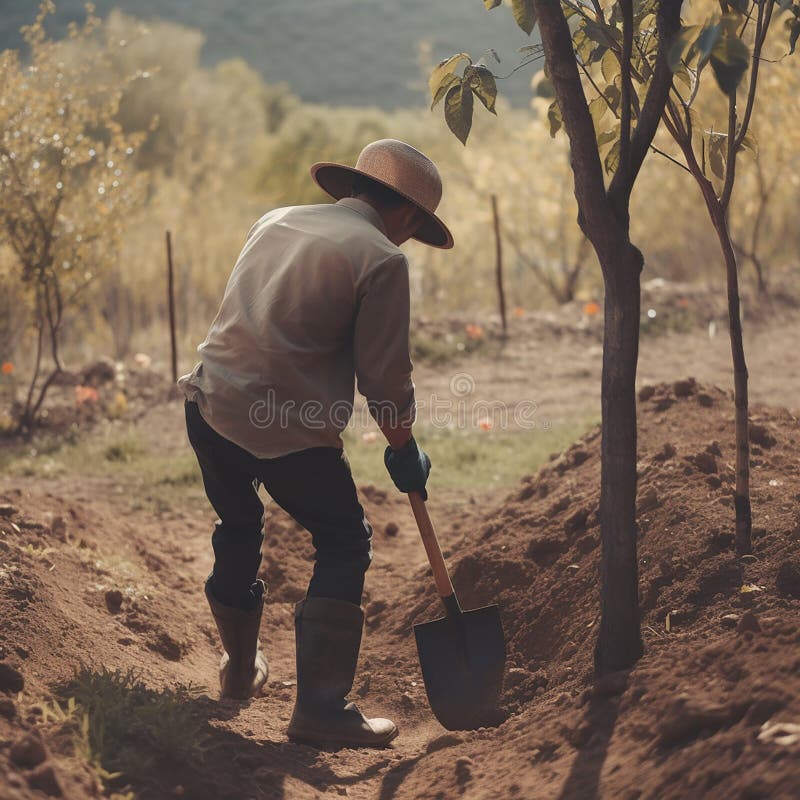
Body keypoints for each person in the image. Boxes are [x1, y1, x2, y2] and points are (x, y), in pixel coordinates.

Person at [178, 139, 454, 748]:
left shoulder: (277, 218)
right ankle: (321, 711)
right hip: (288, 426)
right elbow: (382, 379)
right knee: (343, 541)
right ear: (408, 216)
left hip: (209, 400)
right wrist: (403, 446)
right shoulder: (383, 258)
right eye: (415, 227)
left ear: (355, 188)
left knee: (238, 524)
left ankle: (240, 671)